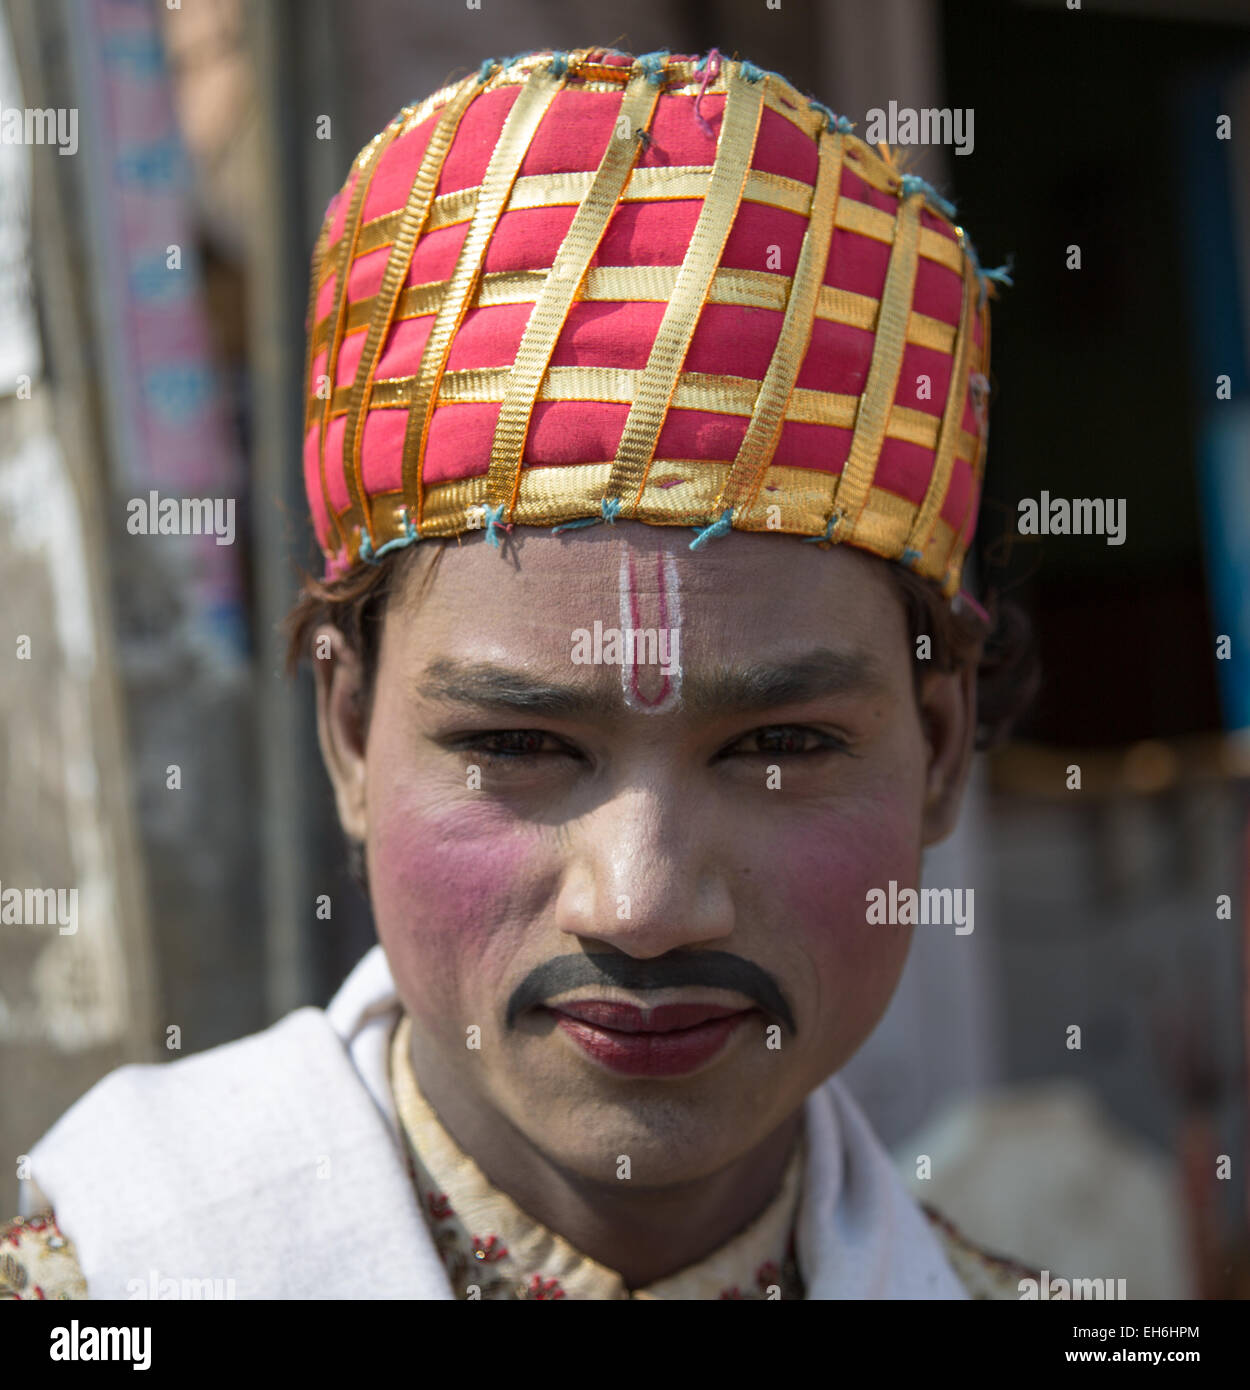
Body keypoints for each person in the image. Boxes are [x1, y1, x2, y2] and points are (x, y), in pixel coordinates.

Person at [4, 45, 1038, 1300]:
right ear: (347, 732)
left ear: (935, 751)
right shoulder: (102, 1285)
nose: (644, 902)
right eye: (515, 746)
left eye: (779, 746)